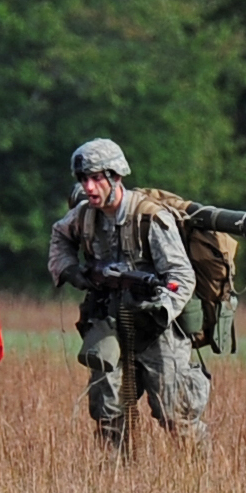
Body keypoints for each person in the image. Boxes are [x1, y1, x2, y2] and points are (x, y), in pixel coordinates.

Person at [47, 138, 210, 454]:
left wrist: (161, 309)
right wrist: (72, 270)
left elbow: (182, 276)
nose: (89, 187)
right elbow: (59, 236)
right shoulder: (83, 216)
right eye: (84, 180)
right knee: (108, 412)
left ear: (115, 177)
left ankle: (203, 480)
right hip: (109, 321)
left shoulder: (150, 217)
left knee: (176, 415)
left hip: (156, 328)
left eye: (96, 178)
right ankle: (117, 486)